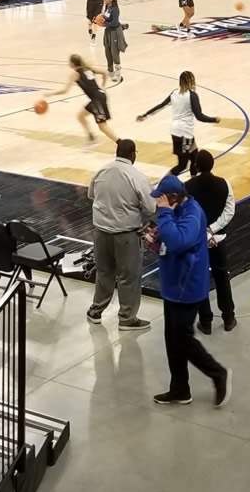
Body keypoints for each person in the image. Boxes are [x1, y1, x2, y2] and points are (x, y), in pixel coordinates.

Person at [150, 173, 230, 407]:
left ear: (173, 197)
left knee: (183, 339)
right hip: (173, 286)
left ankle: (217, 373)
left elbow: (178, 242)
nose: (158, 204)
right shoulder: (177, 211)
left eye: (161, 200)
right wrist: (155, 241)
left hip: (186, 288)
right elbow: (170, 244)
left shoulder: (193, 213)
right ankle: (180, 388)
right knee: (171, 340)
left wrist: (164, 214)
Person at [84, 137, 154, 331]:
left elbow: (91, 195)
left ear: (117, 152)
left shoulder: (102, 171)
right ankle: (127, 318)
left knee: (104, 272)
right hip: (126, 236)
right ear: (133, 155)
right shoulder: (136, 176)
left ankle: (95, 311)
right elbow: (150, 207)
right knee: (128, 276)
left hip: (100, 233)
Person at [185, 150, 236, 333]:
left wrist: (202, 231)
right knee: (222, 278)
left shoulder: (186, 187)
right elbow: (229, 212)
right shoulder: (224, 184)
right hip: (218, 239)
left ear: (196, 166)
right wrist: (212, 230)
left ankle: (205, 323)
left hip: (196, 243)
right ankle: (229, 318)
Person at [138, 70, 221, 176]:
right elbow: (199, 116)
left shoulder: (174, 93)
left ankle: (193, 182)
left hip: (176, 132)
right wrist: (214, 119)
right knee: (182, 165)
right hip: (185, 134)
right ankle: (165, 182)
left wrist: (145, 115)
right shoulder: (192, 96)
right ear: (191, 81)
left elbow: (161, 105)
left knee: (194, 158)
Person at [55, 54, 118, 144]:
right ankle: (91, 136)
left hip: (97, 100)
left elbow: (65, 90)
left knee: (102, 126)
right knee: (80, 117)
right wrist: (103, 86)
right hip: (99, 97)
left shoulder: (75, 73)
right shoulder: (88, 69)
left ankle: (120, 142)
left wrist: (50, 94)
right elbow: (105, 72)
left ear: (73, 64)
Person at [100, 0, 127, 83]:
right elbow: (106, 18)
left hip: (115, 31)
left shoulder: (115, 9)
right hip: (108, 31)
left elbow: (115, 23)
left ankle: (118, 73)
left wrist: (104, 24)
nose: (104, 0)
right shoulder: (107, 7)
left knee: (114, 52)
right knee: (107, 50)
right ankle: (110, 71)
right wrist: (101, 18)